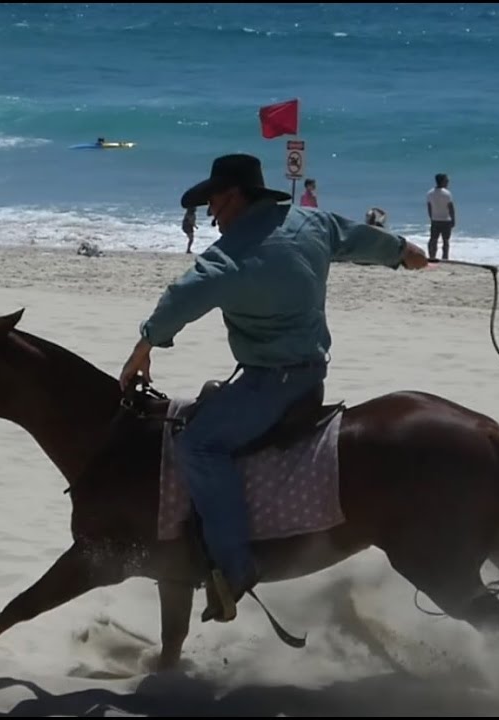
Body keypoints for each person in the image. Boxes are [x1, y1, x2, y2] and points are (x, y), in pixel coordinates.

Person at [117, 153, 429, 623]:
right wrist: (403, 252)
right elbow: (360, 239)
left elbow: (179, 300)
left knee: (199, 445)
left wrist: (145, 346)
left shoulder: (227, 259)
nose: (210, 215)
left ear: (236, 196)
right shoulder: (311, 223)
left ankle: (235, 567)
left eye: (214, 202)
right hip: (311, 377)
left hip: (270, 385)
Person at [426, 172, 455, 260]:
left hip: (435, 220)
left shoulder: (430, 193)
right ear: (442, 181)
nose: (447, 182)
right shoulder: (447, 193)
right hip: (446, 220)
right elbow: (451, 208)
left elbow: (429, 207)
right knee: (445, 241)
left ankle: (432, 256)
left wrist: (431, 218)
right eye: (446, 180)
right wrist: (453, 220)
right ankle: (445, 258)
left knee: (433, 239)